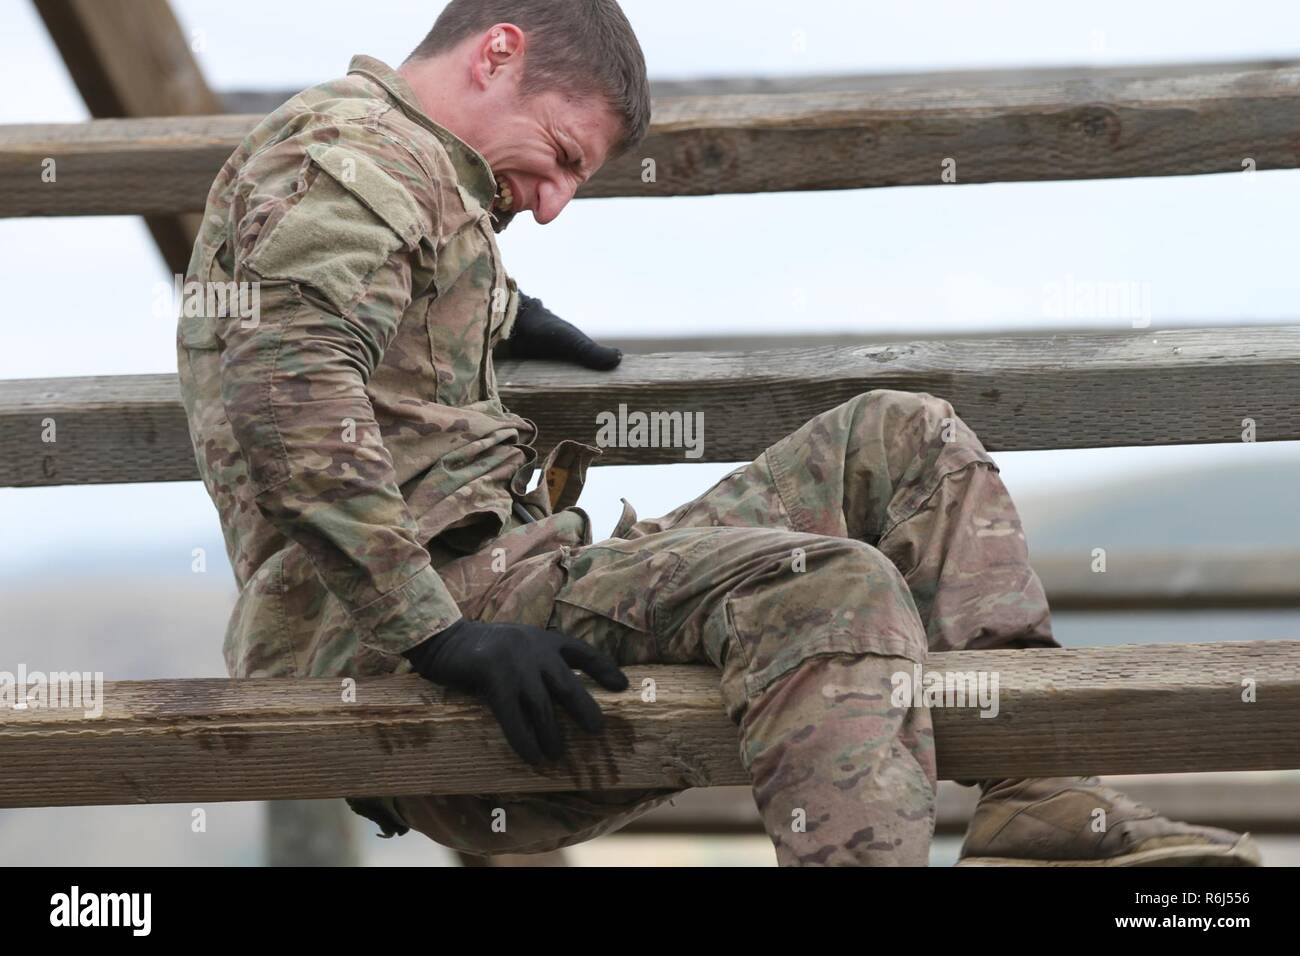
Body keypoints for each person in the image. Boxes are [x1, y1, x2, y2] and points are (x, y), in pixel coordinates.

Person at [176, 0, 1259, 866]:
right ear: (496, 53)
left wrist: (502, 310)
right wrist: (437, 636)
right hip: (405, 640)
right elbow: (290, 397)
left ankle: (1036, 794)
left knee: (904, 437)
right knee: (828, 587)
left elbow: (366, 306)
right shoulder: (349, 157)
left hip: (515, 583)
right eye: (558, 155)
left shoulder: (404, 174)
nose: (551, 204)